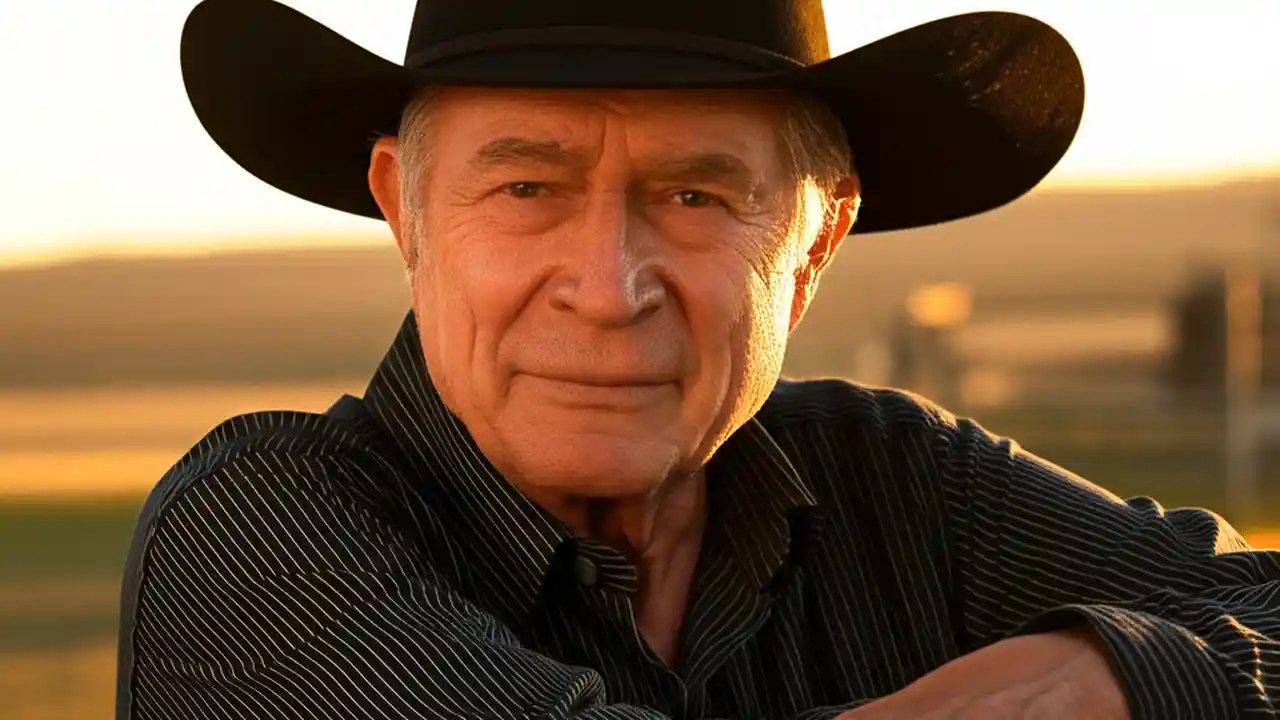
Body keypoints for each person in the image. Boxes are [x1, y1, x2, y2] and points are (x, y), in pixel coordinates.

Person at [116, 0, 1280, 718]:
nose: (607, 288)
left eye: (693, 197)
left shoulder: (902, 483)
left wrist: (1104, 674)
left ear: (813, 243)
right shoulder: (255, 531)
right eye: (525, 188)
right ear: (405, 212)